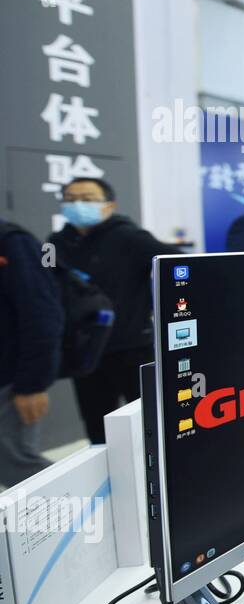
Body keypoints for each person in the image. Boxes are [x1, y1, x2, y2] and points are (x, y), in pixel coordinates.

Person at [47, 178, 177, 445]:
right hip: (85, 351)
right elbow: (45, 280)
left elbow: (176, 265)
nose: (78, 204)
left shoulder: (130, 237)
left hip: (132, 348)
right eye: (70, 199)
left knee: (150, 425)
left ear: (109, 205)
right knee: (98, 430)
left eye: (87, 198)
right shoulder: (54, 243)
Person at [0, 218, 63, 490]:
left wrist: (32, 384)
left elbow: (41, 314)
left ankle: (79, 521)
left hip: (9, 382)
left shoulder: (12, 241)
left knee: (17, 466)